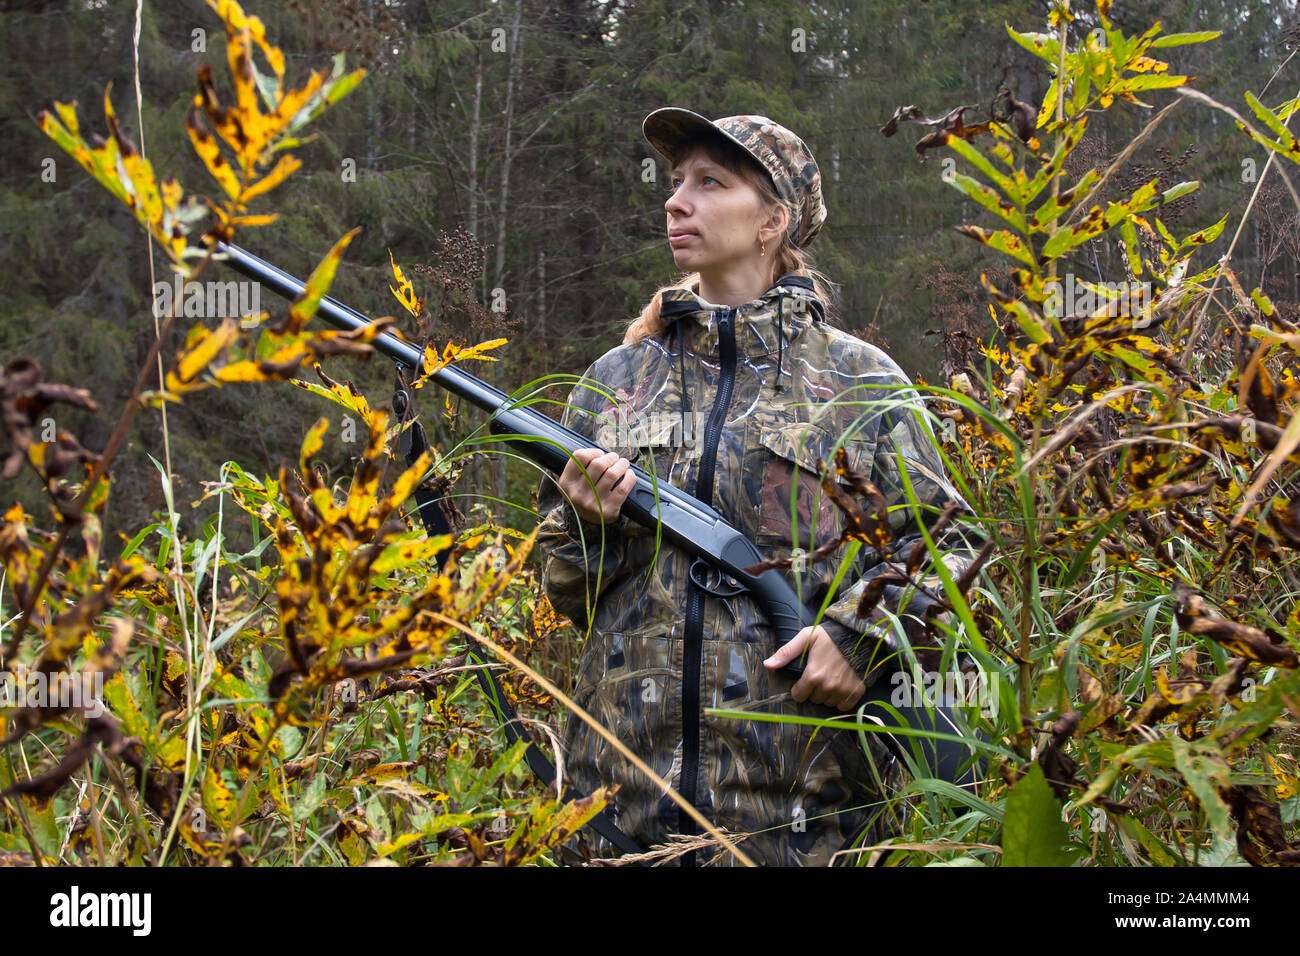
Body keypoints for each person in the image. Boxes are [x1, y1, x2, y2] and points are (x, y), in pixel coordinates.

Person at [534, 109, 978, 866]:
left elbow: (950, 547)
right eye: (676, 183)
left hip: (799, 821)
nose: (677, 201)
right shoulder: (617, 381)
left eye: (710, 182)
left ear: (773, 219)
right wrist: (589, 525)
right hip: (614, 809)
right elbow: (563, 591)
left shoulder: (859, 380)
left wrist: (857, 637)